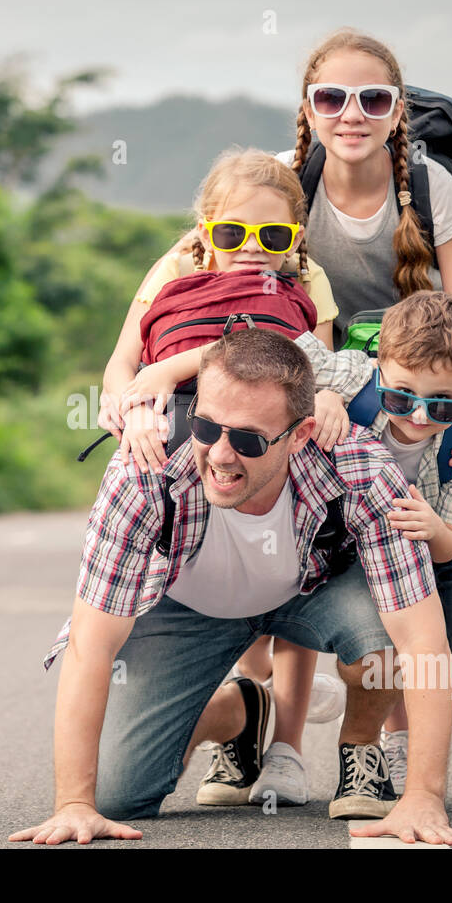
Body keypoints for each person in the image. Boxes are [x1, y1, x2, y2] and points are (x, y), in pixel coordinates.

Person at [135, 26, 452, 808]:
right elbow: (190, 256)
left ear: (398, 109)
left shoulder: (429, 185)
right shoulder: (284, 178)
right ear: (308, 106)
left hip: (430, 388)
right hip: (326, 385)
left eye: (373, 98)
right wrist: (124, 371)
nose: (352, 113)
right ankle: (289, 752)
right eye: (331, 97)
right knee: (312, 551)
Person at [12, 328, 452, 846]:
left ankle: (361, 741)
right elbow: (90, 644)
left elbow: (424, 644)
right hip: (187, 607)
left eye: (250, 440)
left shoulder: (364, 467)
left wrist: (425, 798)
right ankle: (239, 711)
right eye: (208, 427)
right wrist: (74, 804)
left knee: (388, 643)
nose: (220, 454)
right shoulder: (141, 470)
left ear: (301, 434)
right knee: (117, 794)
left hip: (307, 592)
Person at [97, 148, 350, 806]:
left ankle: (292, 744)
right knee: (118, 794)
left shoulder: (304, 278)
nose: (250, 249)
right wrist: (129, 405)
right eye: (231, 232)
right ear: (205, 228)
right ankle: (243, 707)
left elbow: (303, 362)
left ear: (295, 238)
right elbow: (125, 363)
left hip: (270, 471)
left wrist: (176, 366)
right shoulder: (176, 267)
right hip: (192, 477)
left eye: (273, 236)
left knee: (286, 553)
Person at [296, 290, 452, 828]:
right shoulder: (353, 378)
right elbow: (281, 355)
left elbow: (451, 543)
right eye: (400, 396)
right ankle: (414, 748)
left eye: (441, 404)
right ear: (377, 367)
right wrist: (320, 395)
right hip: (388, 535)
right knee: (402, 638)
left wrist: (434, 529)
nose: (416, 414)